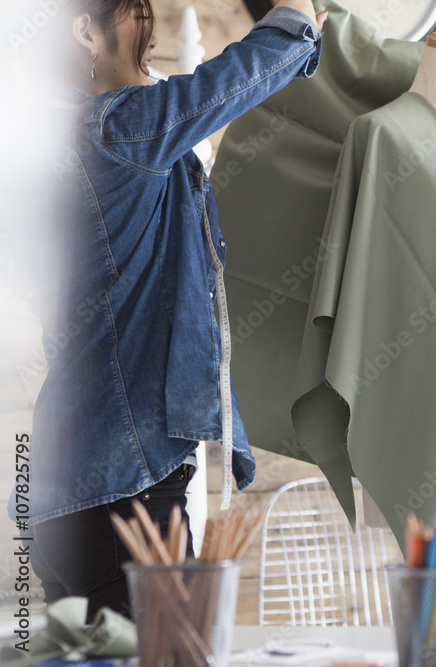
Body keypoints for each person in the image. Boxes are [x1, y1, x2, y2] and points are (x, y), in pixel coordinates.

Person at [22, 0, 326, 621]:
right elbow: (251, 66)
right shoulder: (118, 130)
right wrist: (296, 16)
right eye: (135, 13)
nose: (151, 25)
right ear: (85, 30)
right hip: (124, 495)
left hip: (68, 494)